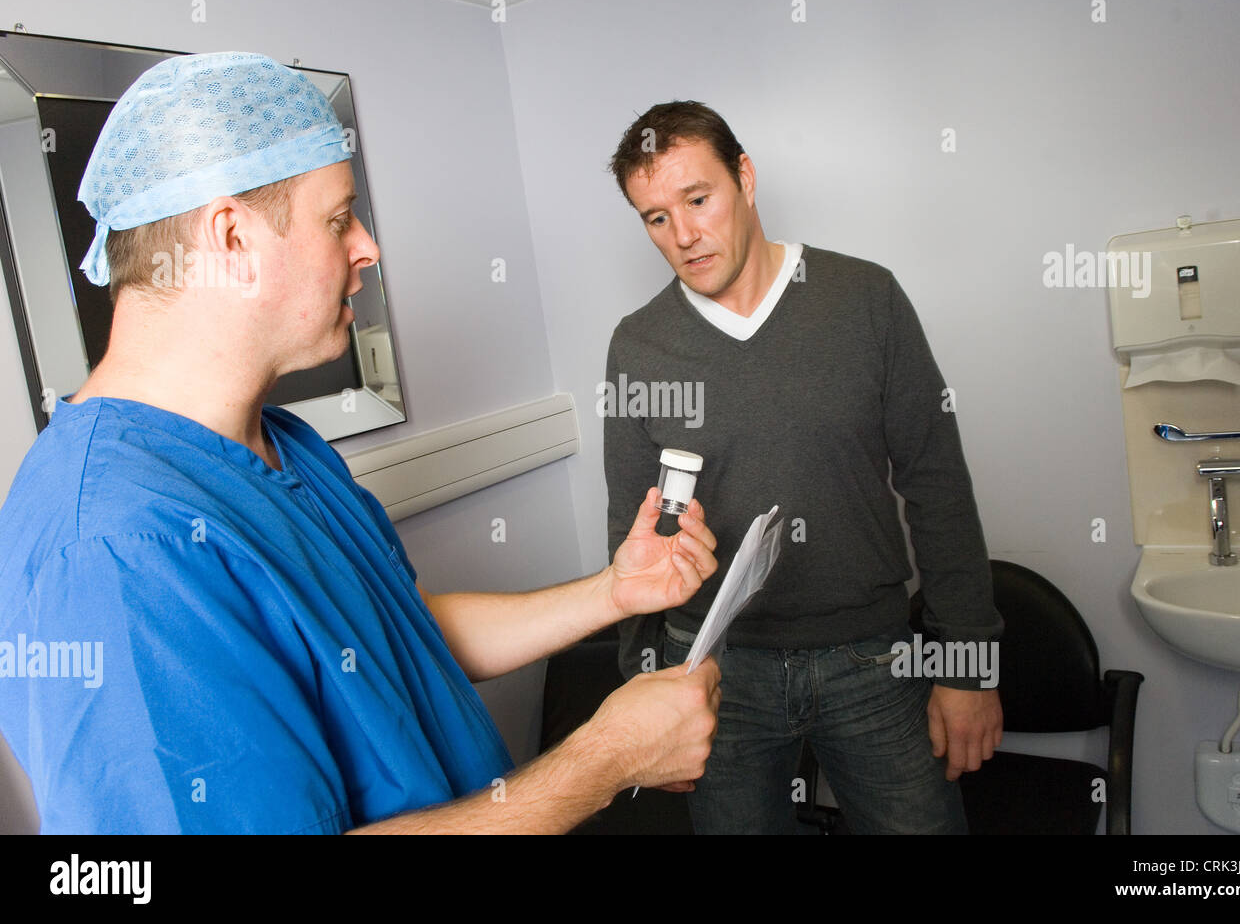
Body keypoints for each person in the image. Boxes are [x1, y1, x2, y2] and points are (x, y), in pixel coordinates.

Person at [0, 53, 721, 834]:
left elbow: (394, 635)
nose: (368, 246)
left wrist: (612, 591)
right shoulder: (110, 551)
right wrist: (609, 756)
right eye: (340, 217)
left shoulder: (285, 443)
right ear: (232, 235)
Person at [602, 101, 1003, 834]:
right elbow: (631, 525)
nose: (683, 235)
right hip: (715, 669)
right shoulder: (638, 347)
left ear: (745, 177)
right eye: (655, 217)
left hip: (873, 660)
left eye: (698, 199)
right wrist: (648, 680)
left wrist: (967, 664)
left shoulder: (865, 300)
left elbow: (938, 485)